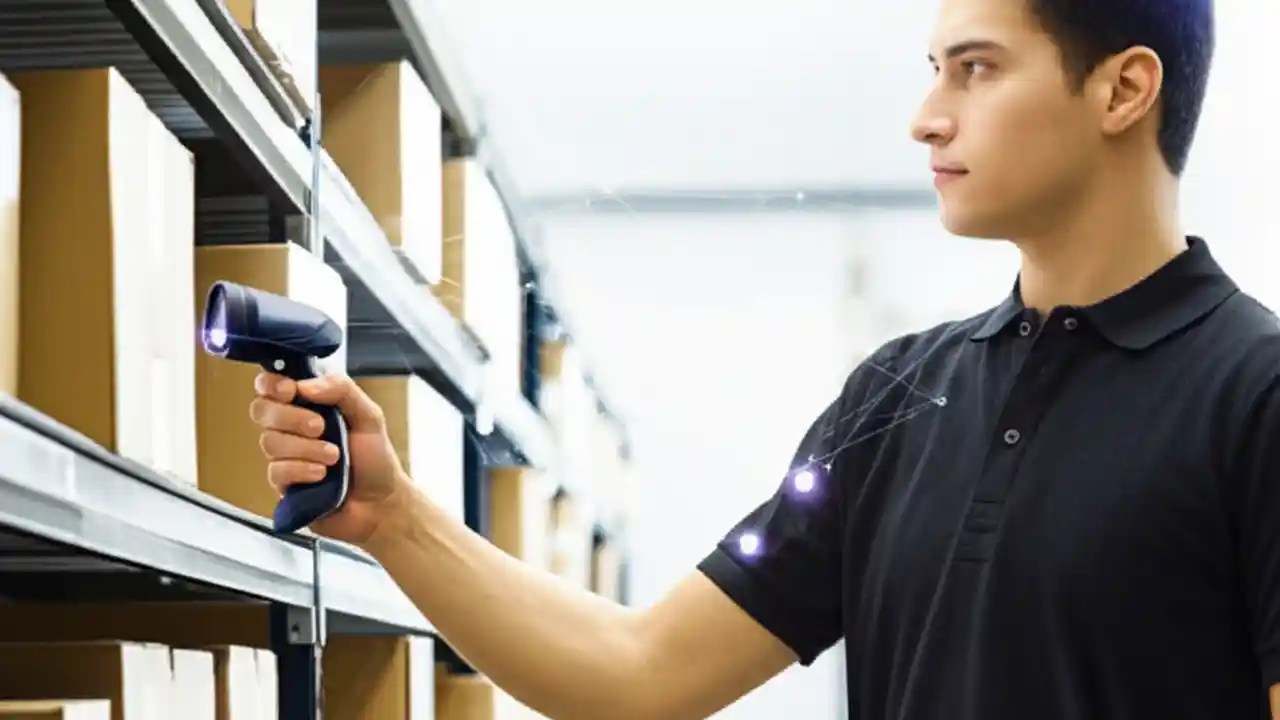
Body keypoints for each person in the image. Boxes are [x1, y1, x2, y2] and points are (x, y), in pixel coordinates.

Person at [247, 0, 1279, 717]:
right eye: (934, 73)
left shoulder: (1255, 397)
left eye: (976, 68)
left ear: (1121, 90)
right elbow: (636, 677)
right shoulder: (899, 398)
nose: (926, 117)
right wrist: (391, 516)